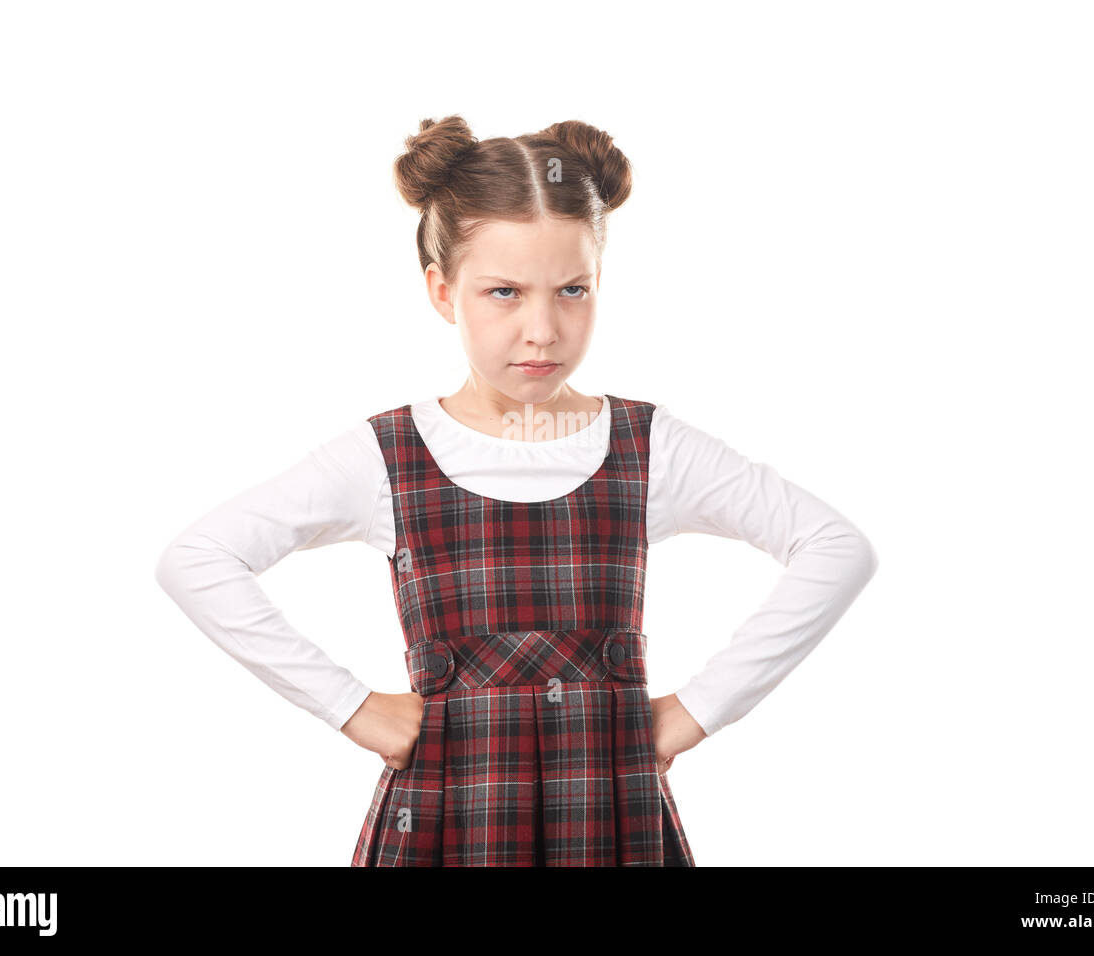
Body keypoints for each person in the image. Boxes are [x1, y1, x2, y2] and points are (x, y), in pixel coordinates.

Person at [154, 115, 879, 866]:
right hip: (447, 819)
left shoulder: (648, 447)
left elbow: (834, 547)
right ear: (443, 291)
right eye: (504, 292)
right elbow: (199, 559)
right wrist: (353, 708)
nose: (542, 329)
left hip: (609, 819)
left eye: (572, 290)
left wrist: (699, 709)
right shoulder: (386, 456)